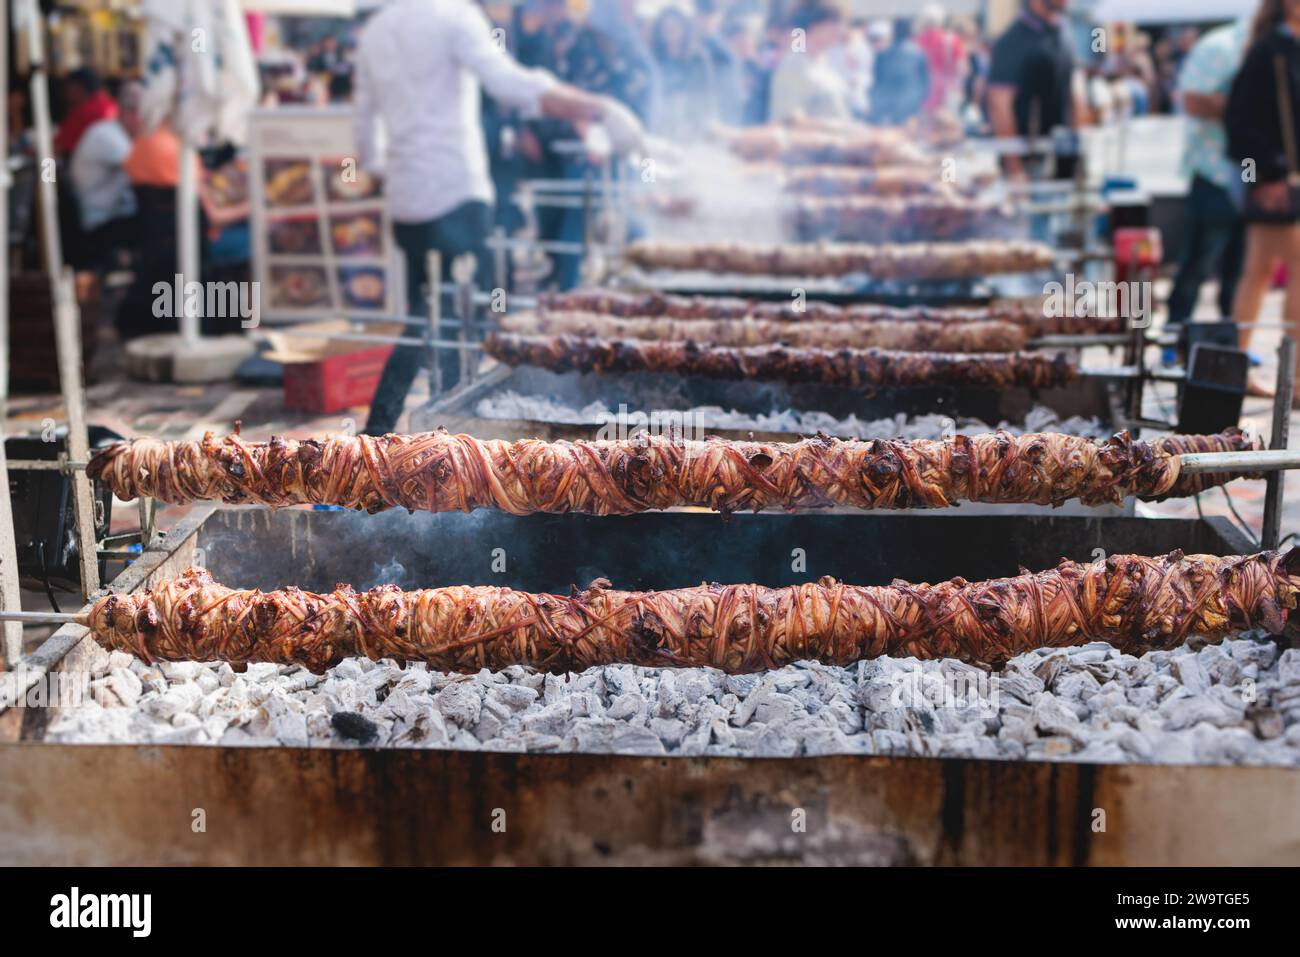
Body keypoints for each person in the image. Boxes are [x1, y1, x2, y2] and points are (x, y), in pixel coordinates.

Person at [353, 0, 646, 435]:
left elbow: (365, 132)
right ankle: (439, 440)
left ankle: (394, 433)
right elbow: (509, 83)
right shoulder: (453, 16)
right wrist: (597, 109)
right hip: (456, 192)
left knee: (430, 314)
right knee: (459, 320)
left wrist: (384, 170)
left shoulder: (376, 30)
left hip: (407, 201)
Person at [1226, 0, 1300, 397]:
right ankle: (1293, 376)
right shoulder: (1270, 50)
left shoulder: (1282, 48)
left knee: (1258, 273)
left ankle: (1237, 372)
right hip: (1278, 183)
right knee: (1274, 272)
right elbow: (1239, 122)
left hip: (1284, 181)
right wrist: (1266, 173)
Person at [1164, 18, 1250, 335]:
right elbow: (1189, 99)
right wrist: (1249, 107)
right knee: (1197, 263)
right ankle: (1174, 335)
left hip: (1250, 175)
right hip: (1215, 173)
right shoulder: (1220, 47)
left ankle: (1233, 344)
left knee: (1239, 270)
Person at [986, 0, 1081, 181]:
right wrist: (1015, 169)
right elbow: (999, 107)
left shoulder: (1064, 31)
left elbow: (1070, 92)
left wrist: (1079, 157)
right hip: (1029, 167)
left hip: (1063, 162)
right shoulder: (1012, 41)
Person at [67, 79, 138, 271]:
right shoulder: (107, 135)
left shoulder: (116, 134)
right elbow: (141, 171)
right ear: (129, 113)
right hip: (100, 222)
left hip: (109, 216)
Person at [768, 3, 851, 123]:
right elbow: (789, 118)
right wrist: (842, 129)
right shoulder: (794, 64)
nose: (841, 30)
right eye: (834, 23)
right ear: (813, 24)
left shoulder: (826, 63)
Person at [652, 6, 714, 139]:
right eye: (666, 28)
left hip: (689, 124)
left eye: (674, 27)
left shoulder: (698, 59)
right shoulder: (655, 57)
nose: (670, 32)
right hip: (660, 123)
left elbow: (705, 96)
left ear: (684, 29)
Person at [869, 19, 930, 125]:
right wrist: (922, 98)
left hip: (890, 104)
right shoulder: (918, 52)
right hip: (911, 102)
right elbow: (925, 80)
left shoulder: (884, 54)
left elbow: (877, 81)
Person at [915, 4, 962, 115]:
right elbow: (962, 69)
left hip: (923, 96)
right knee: (948, 128)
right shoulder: (951, 40)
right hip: (947, 94)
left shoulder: (916, 42)